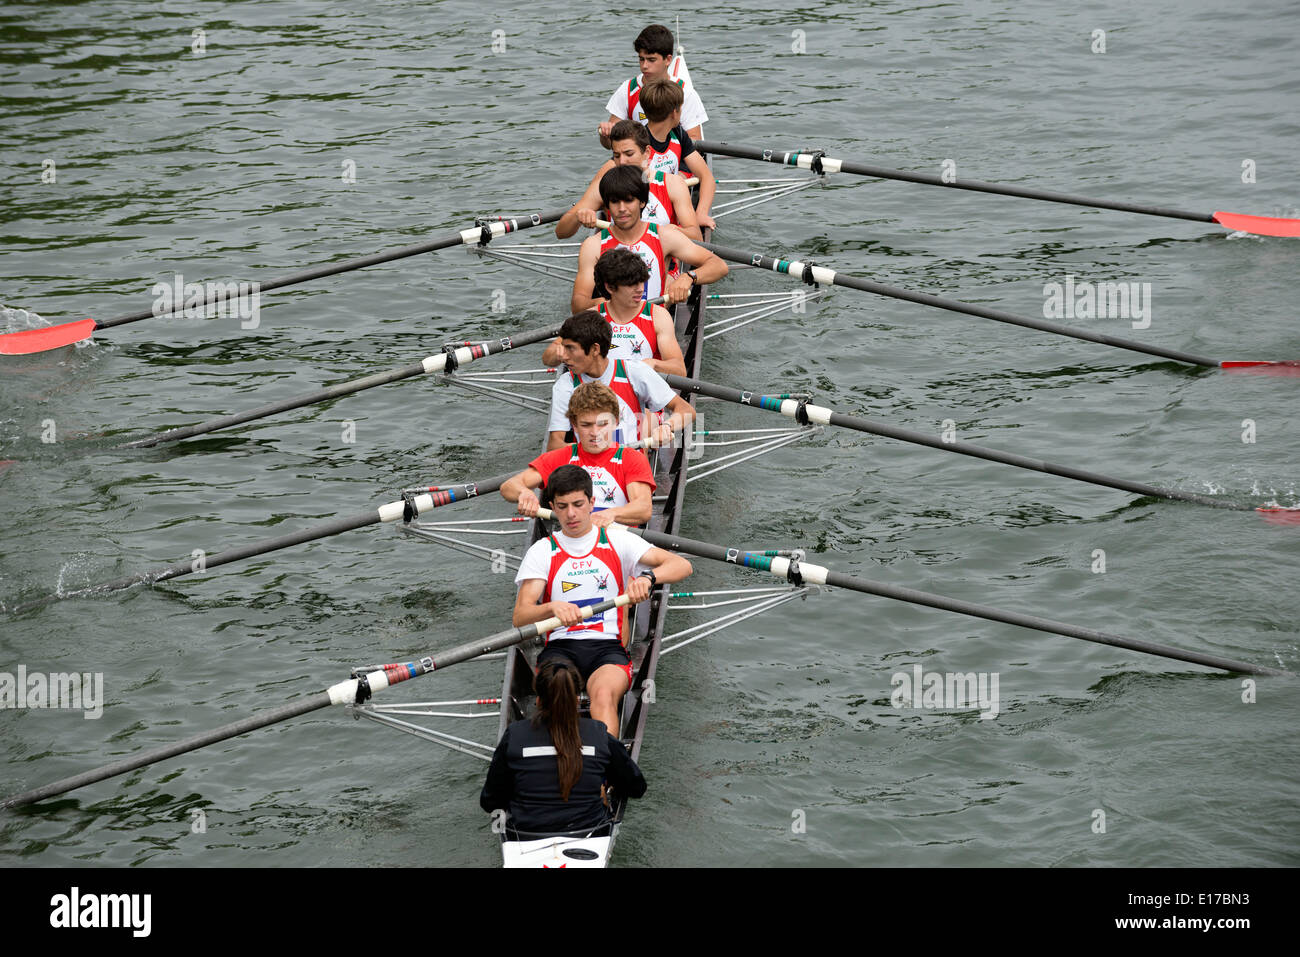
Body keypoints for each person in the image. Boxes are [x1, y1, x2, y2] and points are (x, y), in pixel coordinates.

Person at [512, 465, 692, 735]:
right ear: (551, 506)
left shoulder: (617, 539)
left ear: (592, 502)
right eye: (562, 506)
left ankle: (605, 771)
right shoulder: (543, 551)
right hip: (560, 647)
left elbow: (680, 565)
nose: (571, 514)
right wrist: (551, 608)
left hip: (607, 647)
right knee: (557, 698)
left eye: (578, 504)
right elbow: (521, 616)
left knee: (604, 696)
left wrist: (647, 579)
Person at [479, 658, 646, 838]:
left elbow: (490, 802)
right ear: (576, 700)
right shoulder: (598, 734)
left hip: (525, 834)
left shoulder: (514, 735)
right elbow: (636, 788)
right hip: (590, 831)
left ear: (538, 700)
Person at [570, 166, 726, 314]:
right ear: (607, 205)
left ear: (642, 202)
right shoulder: (593, 246)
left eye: (629, 200)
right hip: (609, 328)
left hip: (654, 325)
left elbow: (718, 265)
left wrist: (689, 277)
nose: (622, 208)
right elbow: (578, 305)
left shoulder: (664, 236)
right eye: (615, 202)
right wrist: (609, 303)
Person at [502, 381, 656, 527]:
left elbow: (643, 508)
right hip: (573, 539)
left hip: (616, 540)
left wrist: (611, 514)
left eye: (602, 424)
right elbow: (508, 487)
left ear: (615, 421)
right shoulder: (562, 457)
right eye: (586, 425)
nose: (595, 433)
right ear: (574, 425)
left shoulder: (632, 459)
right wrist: (524, 493)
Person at [546, 309, 695, 451]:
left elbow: (686, 410)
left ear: (595, 349)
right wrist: (601, 451)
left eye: (571, 349)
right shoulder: (566, 384)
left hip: (631, 468)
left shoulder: (633, 371)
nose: (564, 357)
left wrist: (667, 426)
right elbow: (555, 446)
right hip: (588, 470)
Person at [543, 248, 685, 376]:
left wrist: (654, 364)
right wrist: (559, 353)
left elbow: (679, 370)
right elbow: (547, 358)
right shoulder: (590, 317)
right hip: (597, 397)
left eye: (641, 282)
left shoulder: (658, 316)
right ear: (610, 287)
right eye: (631, 284)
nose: (640, 289)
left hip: (642, 399)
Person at [555, 120, 703, 240]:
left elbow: (696, 237)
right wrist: (578, 217)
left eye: (629, 154)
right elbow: (560, 232)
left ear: (647, 152)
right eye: (617, 156)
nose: (622, 162)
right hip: (618, 265)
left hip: (665, 265)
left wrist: (668, 231)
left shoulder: (672, 184)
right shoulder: (605, 184)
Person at [600, 24, 707, 142]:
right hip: (638, 158)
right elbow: (610, 144)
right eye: (641, 59)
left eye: (651, 60)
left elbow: (695, 140)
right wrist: (605, 135)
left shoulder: (685, 93)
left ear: (668, 60)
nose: (644, 66)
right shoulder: (628, 90)